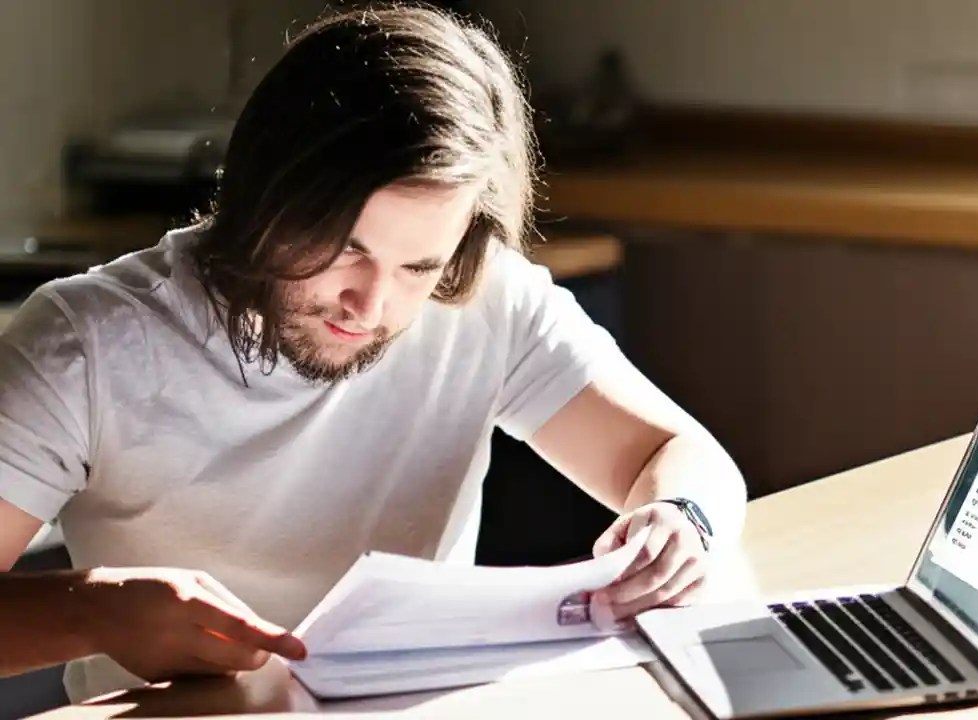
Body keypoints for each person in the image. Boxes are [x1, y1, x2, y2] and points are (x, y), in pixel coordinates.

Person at [0, 3, 745, 703]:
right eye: (341, 250)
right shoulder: (87, 345)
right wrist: (93, 611)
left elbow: (679, 452)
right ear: (267, 195)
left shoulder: (484, 298)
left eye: (418, 267)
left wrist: (682, 519)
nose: (373, 305)